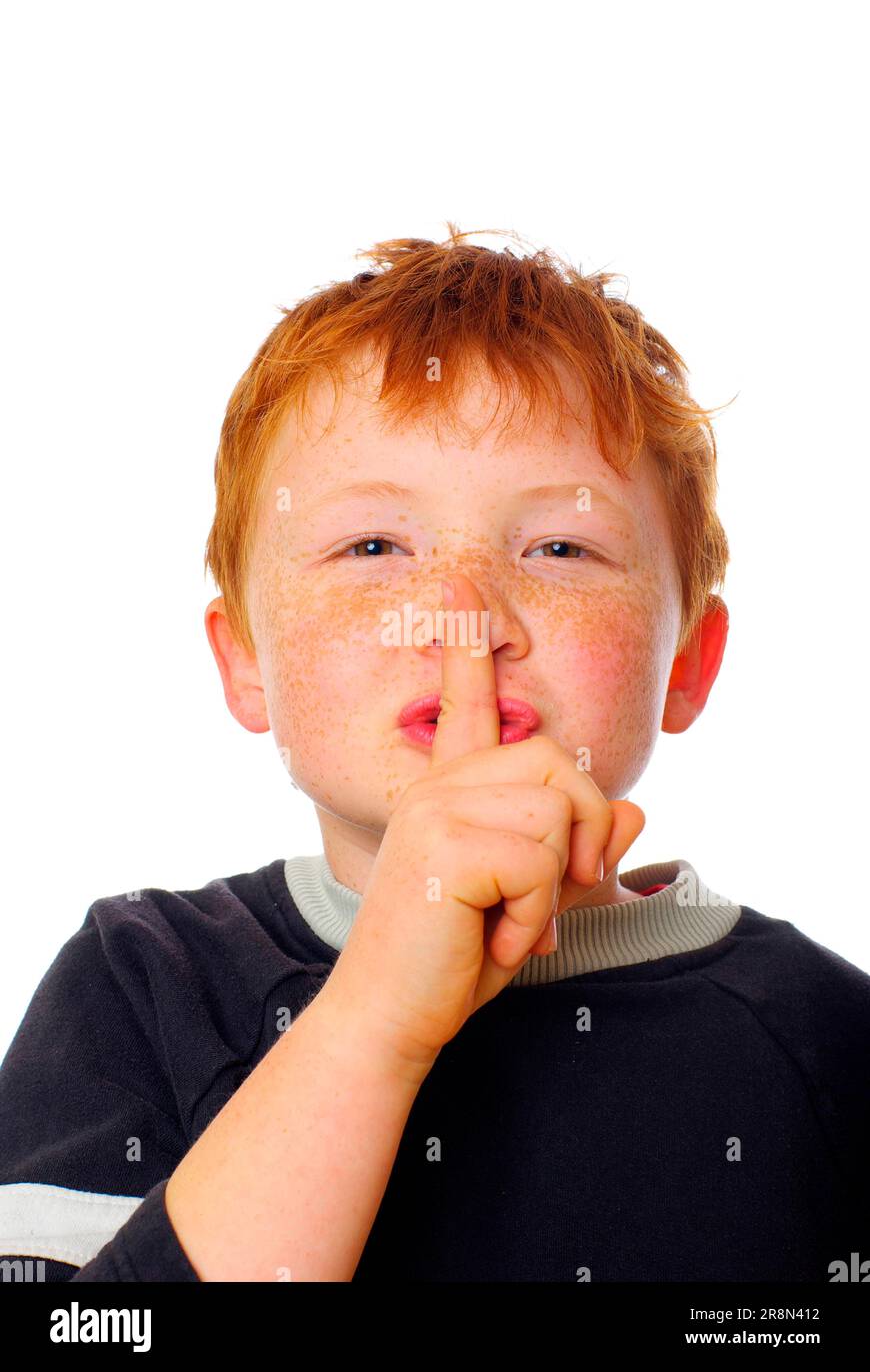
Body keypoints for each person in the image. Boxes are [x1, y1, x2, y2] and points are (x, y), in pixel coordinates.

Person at [2, 227, 868, 1282]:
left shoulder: (829, 1036)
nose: (464, 619)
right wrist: (373, 1019)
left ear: (687, 661)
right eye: (374, 548)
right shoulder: (141, 983)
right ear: (245, 663)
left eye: (561, 548)